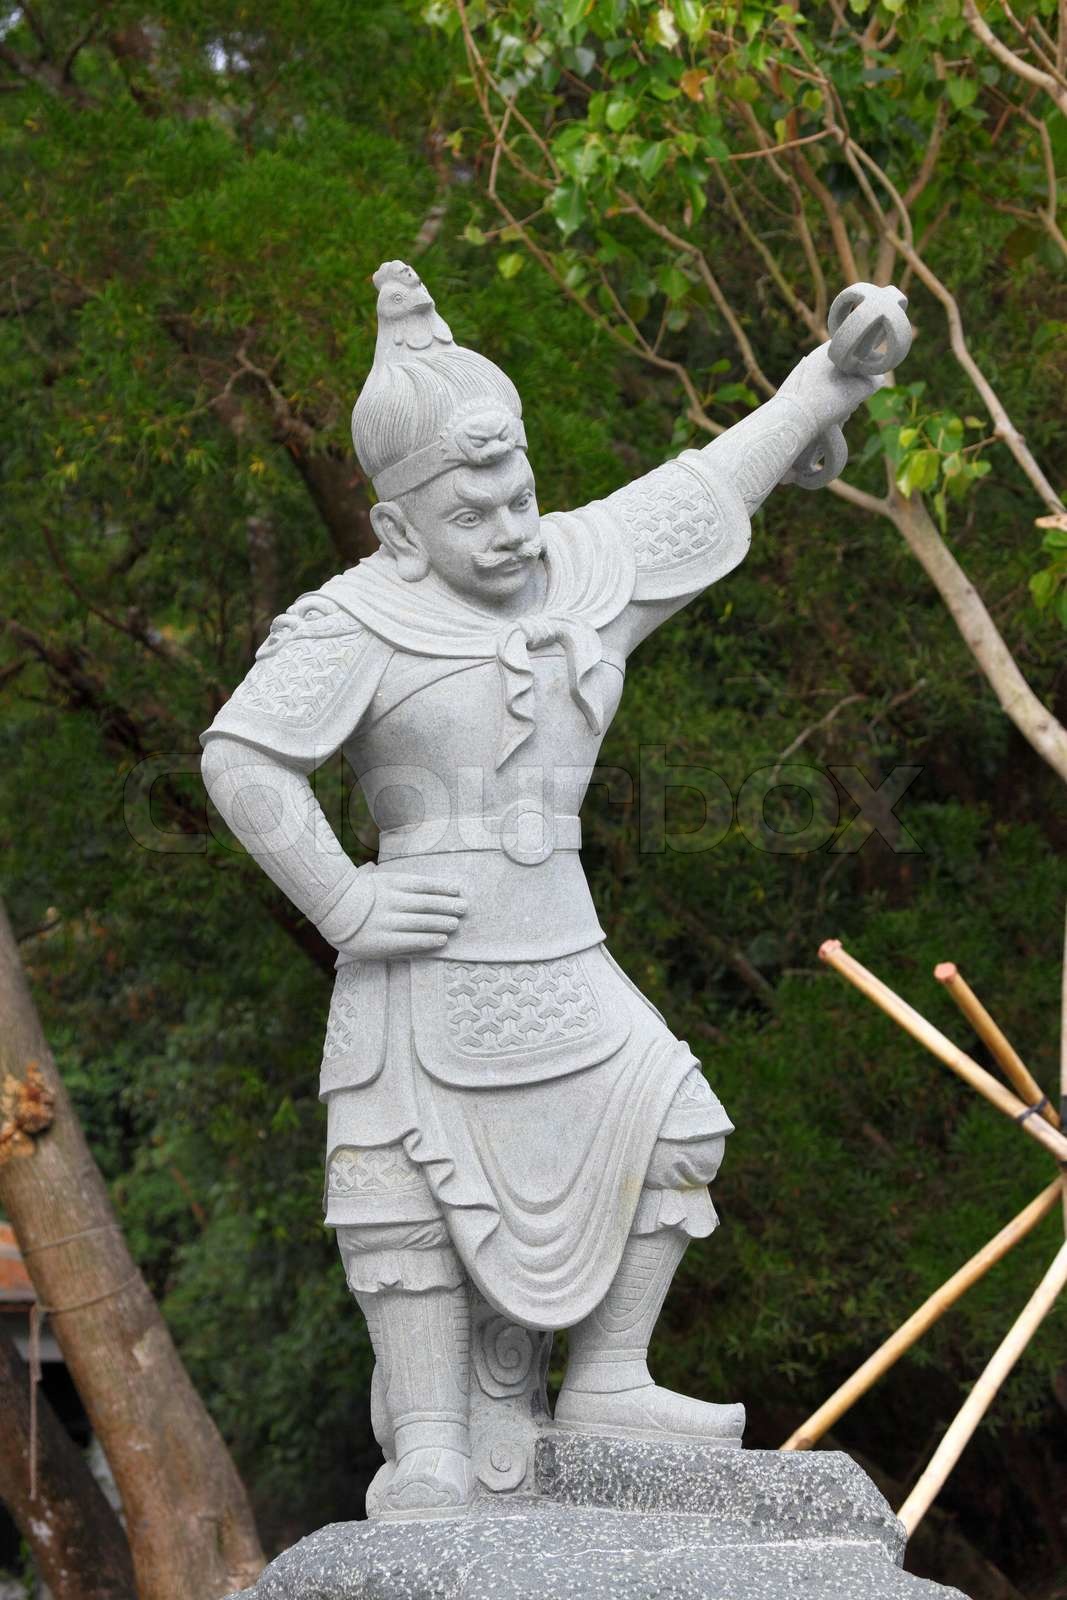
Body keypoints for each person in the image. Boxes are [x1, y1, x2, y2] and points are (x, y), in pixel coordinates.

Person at [201, 260, 885, 1518]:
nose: (511, 530)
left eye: (517, 496)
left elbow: (701, 486)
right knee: (395, 1188)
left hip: (560, 946)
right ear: (401, 527)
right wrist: (345, 901)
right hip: (422, 960)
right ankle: (429, 1440)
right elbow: (242, 755)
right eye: (475, 517)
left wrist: (821, 383)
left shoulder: (576, 568)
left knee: (677, 1120)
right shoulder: (351, 620)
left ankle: (610, 1376)